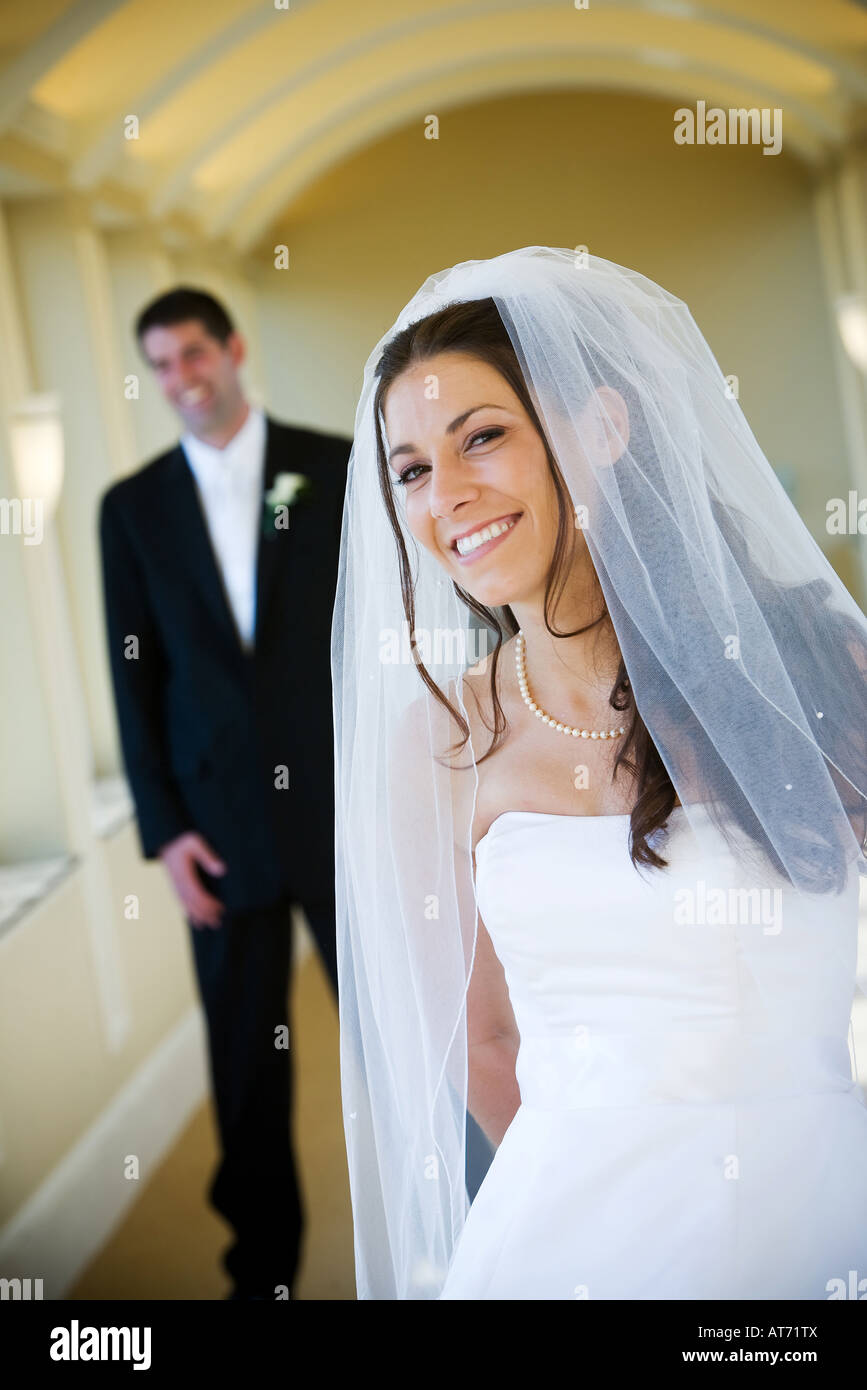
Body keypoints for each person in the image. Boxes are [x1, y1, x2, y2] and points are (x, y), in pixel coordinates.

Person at [331, 246, 867, 1299]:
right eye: (413, 469)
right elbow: (480, 1040)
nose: (450, 496)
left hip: (826, 1205)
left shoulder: (823, 670)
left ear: (605, 430)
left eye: (482, 437)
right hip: (571, 1238)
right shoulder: (439, 744)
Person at [99, 287, 350, 1299]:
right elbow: (133, 680)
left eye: (194, 354)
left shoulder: (327, 465)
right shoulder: (131, 508)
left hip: (339, 809)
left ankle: (475, 1223)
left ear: (234, 348)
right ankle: (263, 1275)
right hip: (218, 829)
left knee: (403, 1035)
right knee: (246, 1073)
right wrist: (165, 834)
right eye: (159, 364)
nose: (180, 380)